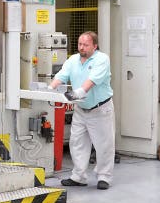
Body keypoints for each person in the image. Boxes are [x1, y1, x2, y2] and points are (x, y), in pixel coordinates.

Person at [49, 31, 115, 190]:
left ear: (95, 46)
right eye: (80, 44)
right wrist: (50, 89)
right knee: (77, 143)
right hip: (81, 109)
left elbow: (92, 80)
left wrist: (79, 92)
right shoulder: (73, 60)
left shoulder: (102, 59)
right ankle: (79, 176)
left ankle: (104, 177)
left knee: (103, 145)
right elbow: (62, 75)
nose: (82, 47)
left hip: (100, 109)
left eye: (85, 45)